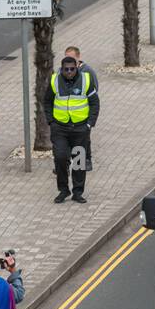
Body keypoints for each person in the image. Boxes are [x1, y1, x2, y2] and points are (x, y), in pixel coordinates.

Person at [48, 55, 100, 204]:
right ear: (62, 69)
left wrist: (90, 124)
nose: (69, 72)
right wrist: (51, 122)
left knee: (78, 161)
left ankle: (78, 192)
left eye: (72, 69)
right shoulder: (54, 81)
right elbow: (47, 102)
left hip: (80, 129)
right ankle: (63, 190)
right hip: (60, 129)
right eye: (66, 69)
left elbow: (95, 103)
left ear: (77, 68)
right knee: (60, 158)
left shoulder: (86, 80)